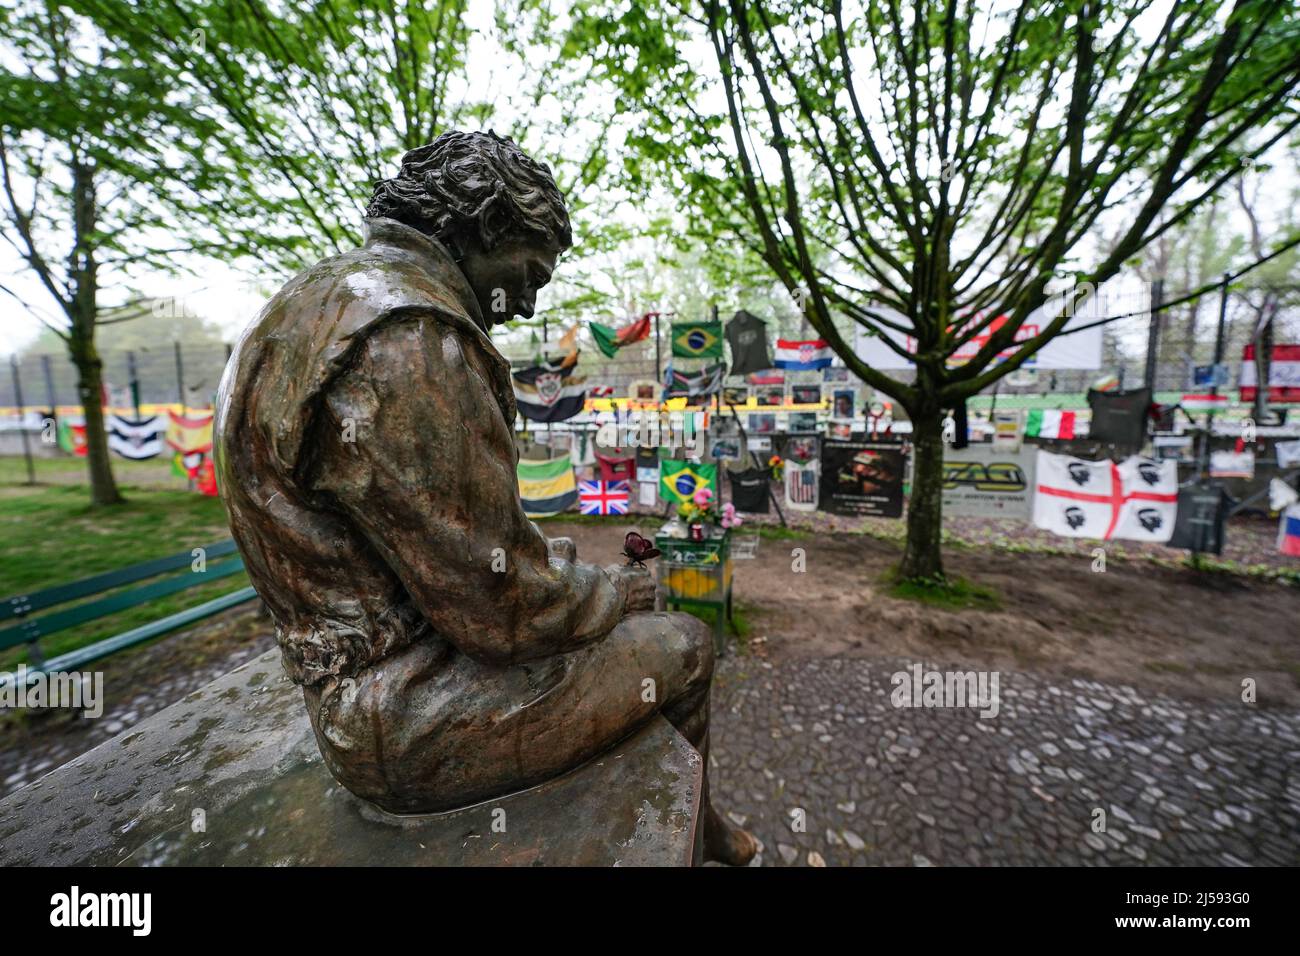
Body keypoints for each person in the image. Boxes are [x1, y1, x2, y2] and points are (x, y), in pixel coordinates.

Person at [214, 131, 756, 864]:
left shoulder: (310, 303)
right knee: (683, 645)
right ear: (490, 226)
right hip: (405, 711)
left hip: (380, 679)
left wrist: (564, 577)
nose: (528, 303)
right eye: (529, 272)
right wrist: (615, 593)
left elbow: (440, 556)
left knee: (595, 590)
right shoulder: (407, 335)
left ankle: (700, 818)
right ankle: (689, 834)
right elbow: (503, 612)